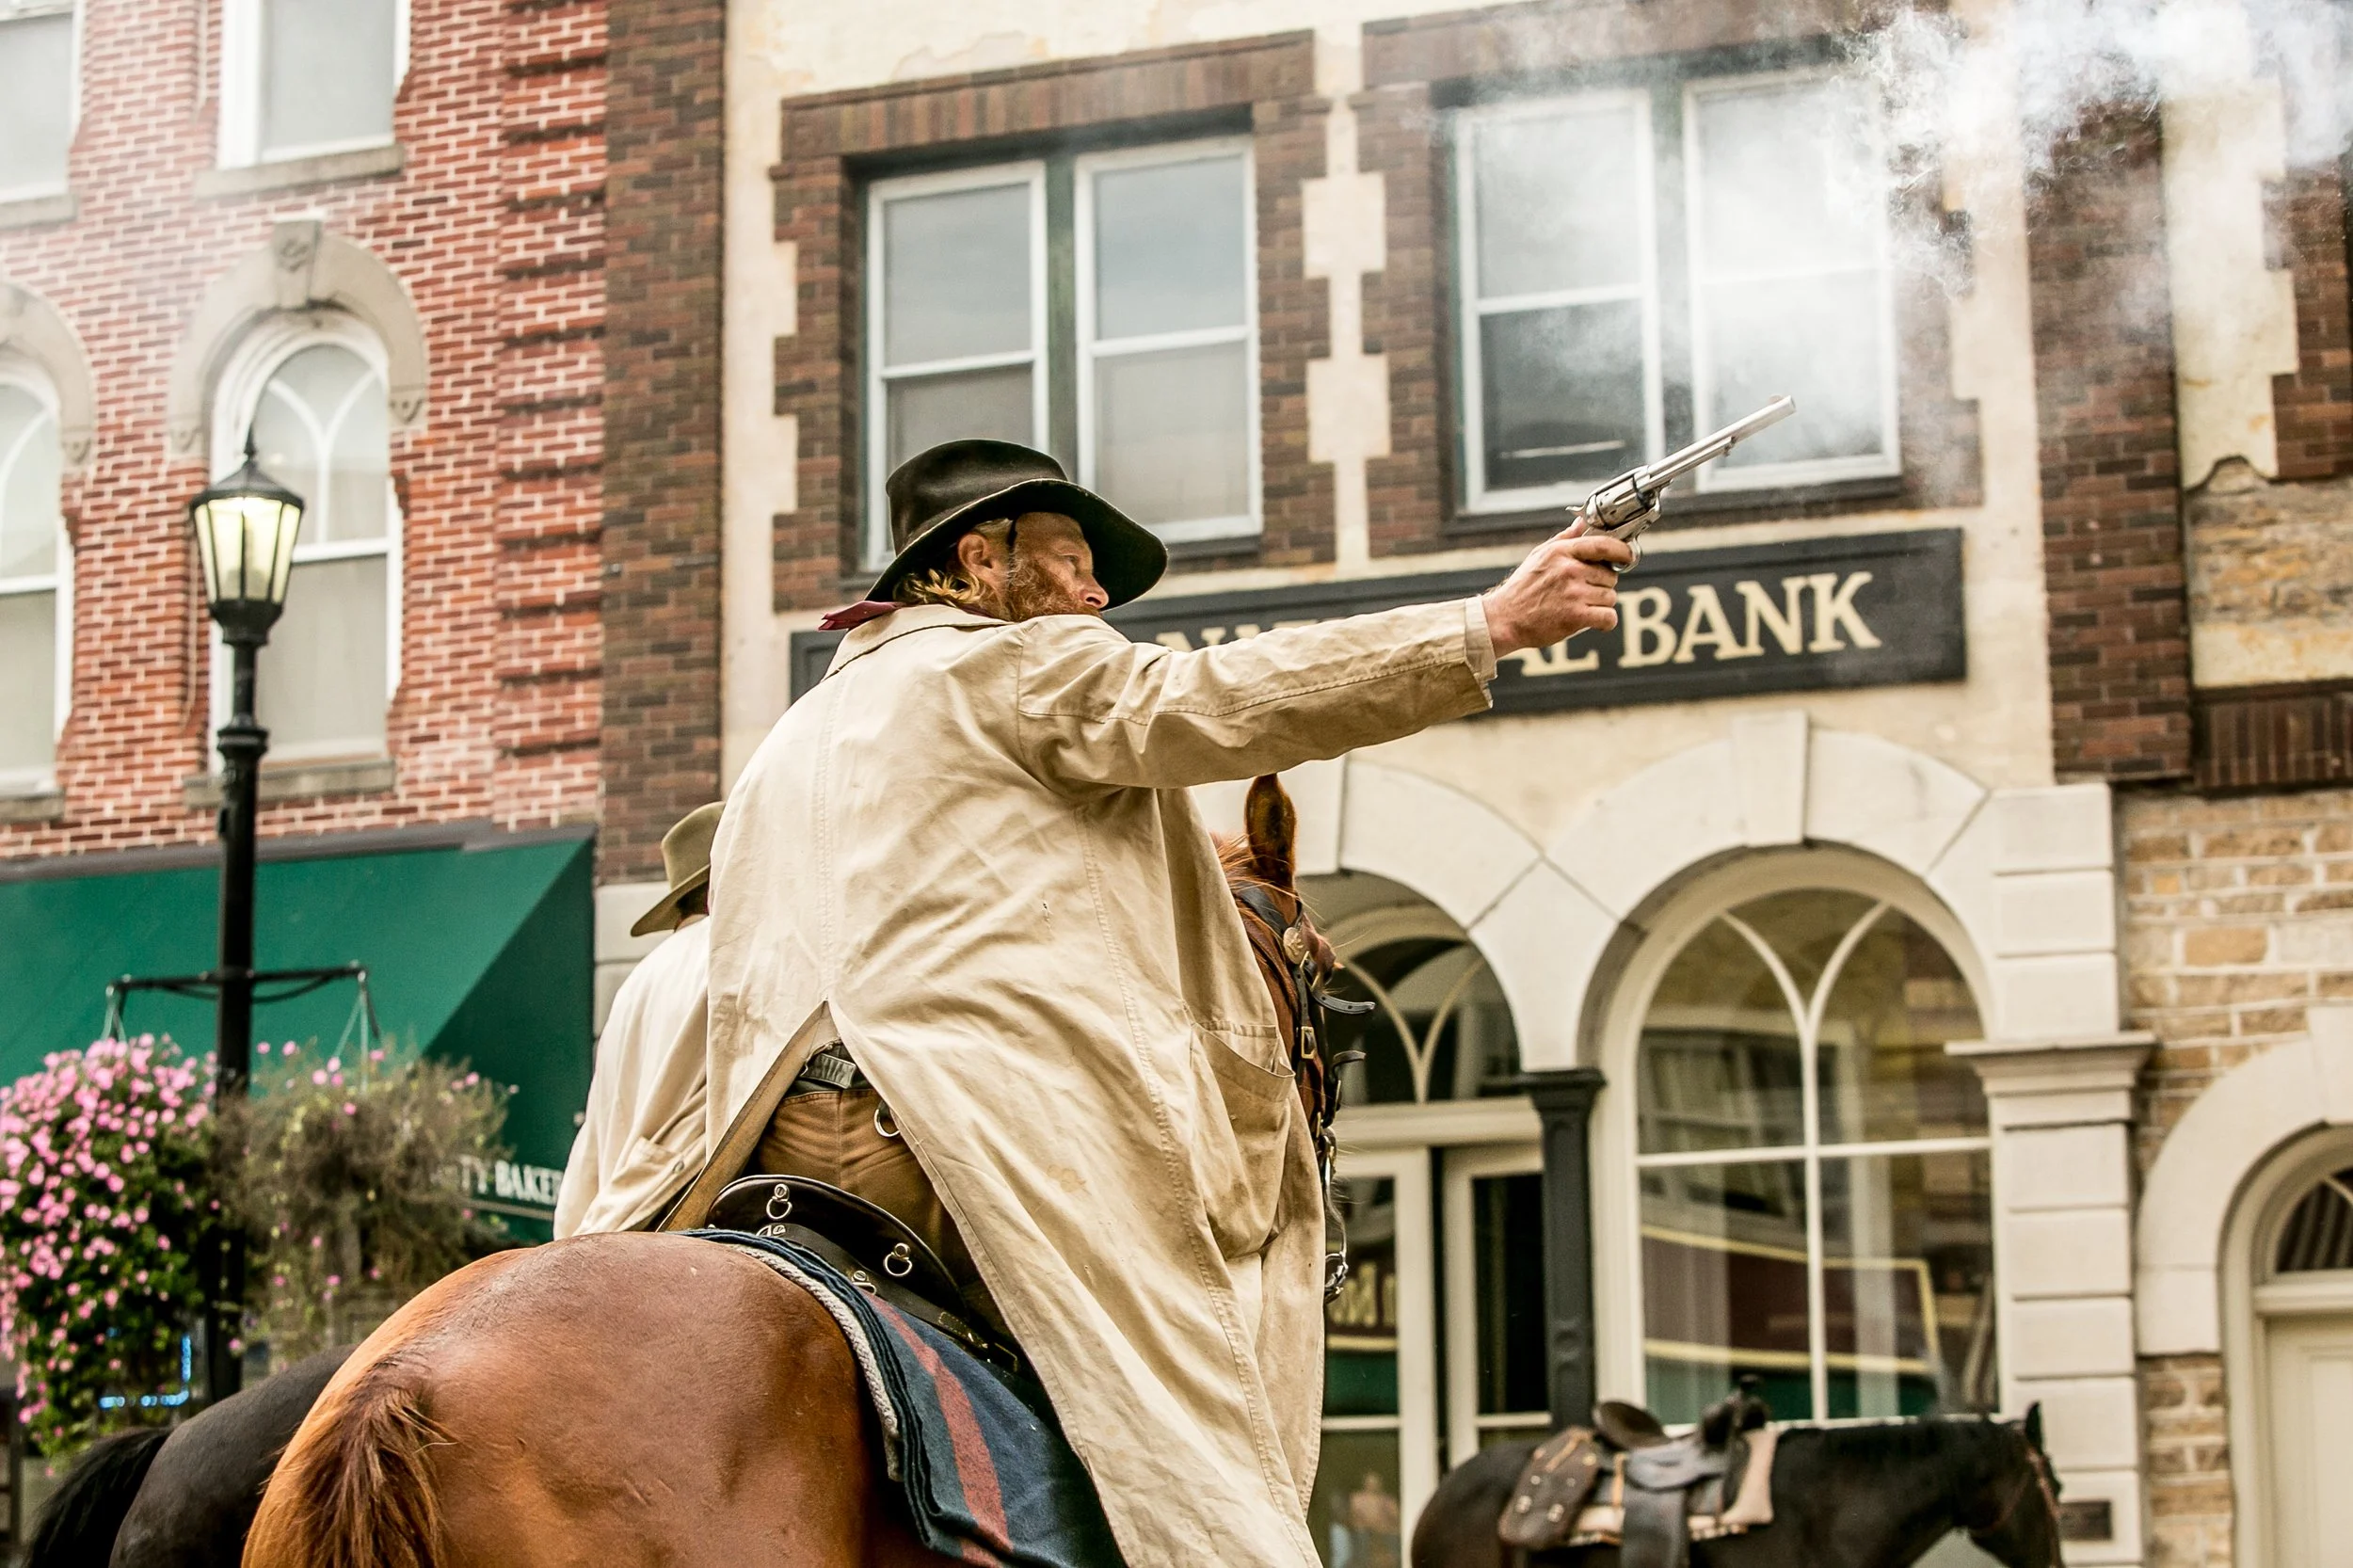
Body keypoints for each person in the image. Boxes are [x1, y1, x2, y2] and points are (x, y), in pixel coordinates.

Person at [705, 439, 1628, 1568]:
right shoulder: (1008, 669)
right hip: (954, 1143)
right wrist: (1488, 623)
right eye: (1071, 560)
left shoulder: (790, 737)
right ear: (978, 563)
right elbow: (1211, 695)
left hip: (770, 1159)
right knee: (1192, 1472)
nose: (1096, 595)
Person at [553, 803, 719, 1239]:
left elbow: (595, 1135)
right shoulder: (732, 953)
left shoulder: (633, 985)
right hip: (689, 1228)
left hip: (616, 1232)